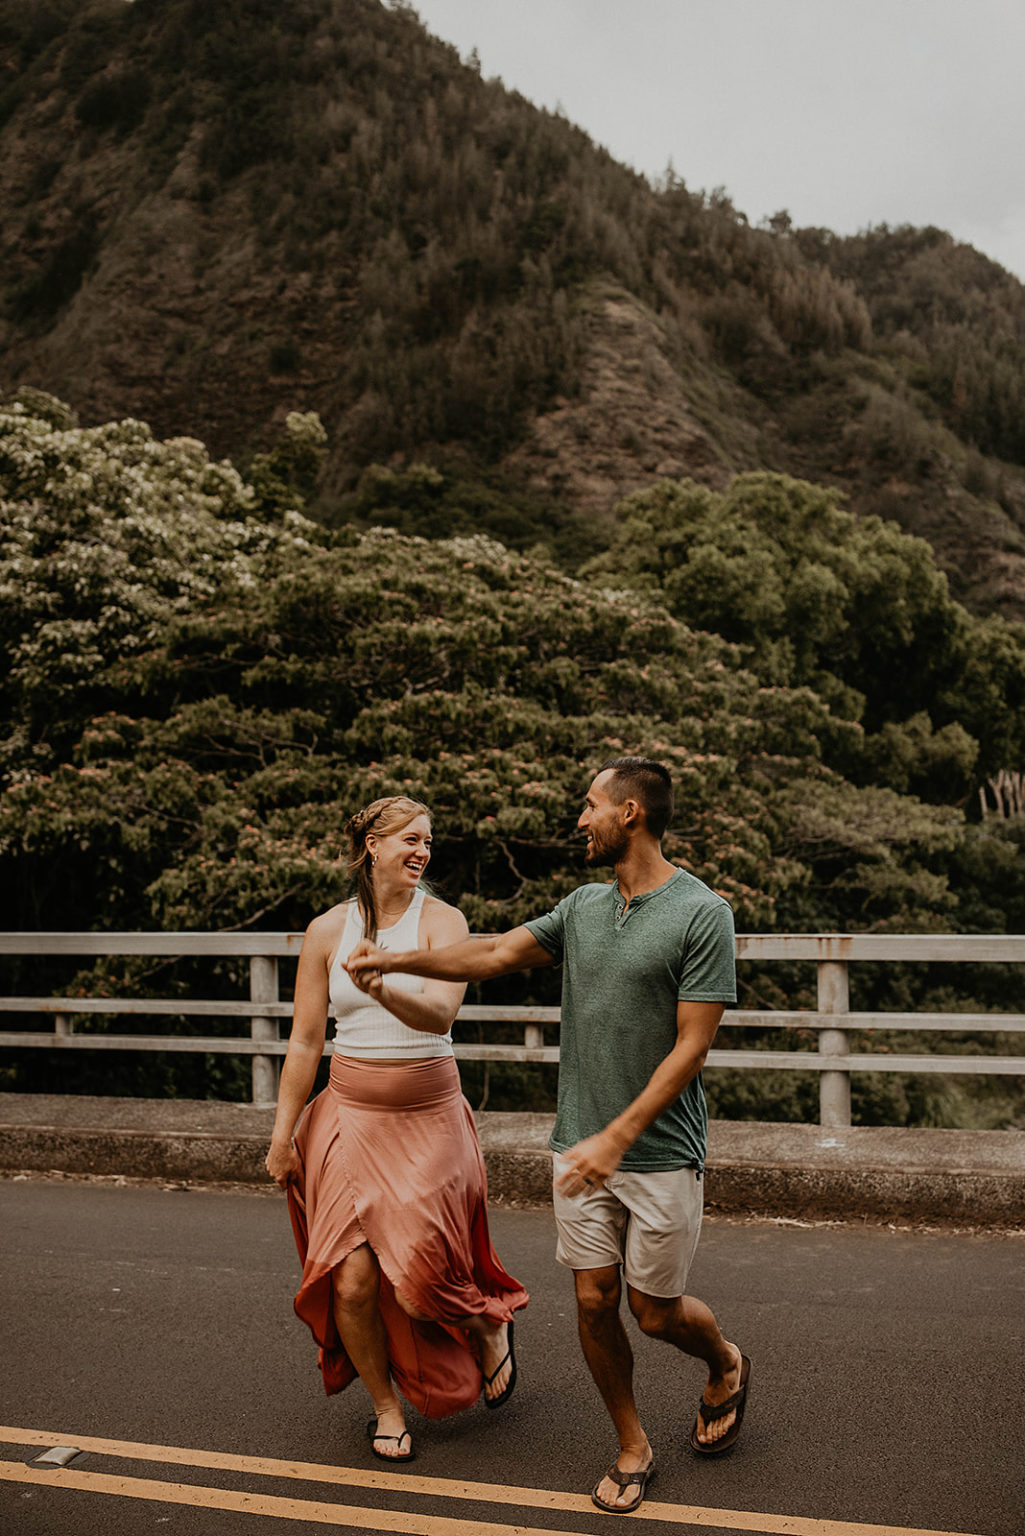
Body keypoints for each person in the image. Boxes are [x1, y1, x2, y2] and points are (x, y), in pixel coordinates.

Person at [347, 758, 749, 1513]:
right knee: (594, 1302)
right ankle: (632, 1444)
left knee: (652, 1310)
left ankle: (724, 1361)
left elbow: (690, 1048)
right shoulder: (583, 906)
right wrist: (393, 960)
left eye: (590, 806)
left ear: (630, 813)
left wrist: (617, 1138)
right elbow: (494, 953)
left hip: (659, 1152)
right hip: (578, 1143)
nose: (579, 819)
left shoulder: (703, 913)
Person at [265, 795, 528, 1464]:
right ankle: (385, 1408)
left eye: (428, 841)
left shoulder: (443, 922)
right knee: (350, 1281)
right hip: (347, 1119)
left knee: (419, 1274)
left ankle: (481, 1324)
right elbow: (303, 1042)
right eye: (409, 839)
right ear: (372, 846)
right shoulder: (327, 929)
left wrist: (380, 983)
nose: (421, 851)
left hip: (429, 1119)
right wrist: (281, 1134)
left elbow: (439, 1015)